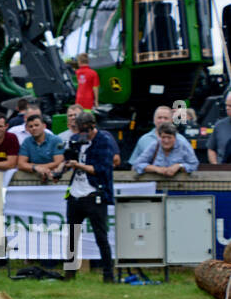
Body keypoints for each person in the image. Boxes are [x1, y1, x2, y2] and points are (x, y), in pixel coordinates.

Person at [61, 110, 118, 283]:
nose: (81, 135)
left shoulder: (104, 141)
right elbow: (68, 160)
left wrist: (79, 165)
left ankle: (108, 274)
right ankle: (70, 273)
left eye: (83, 131)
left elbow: (101, 169)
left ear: (91, 127)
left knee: (101, 236)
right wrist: (61, 169)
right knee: (72, 235)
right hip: (75, 193)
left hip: (94, 192)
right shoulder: (76, 140)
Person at [132, 123, 197, 177]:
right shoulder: (155, 145)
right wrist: (156, 169)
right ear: (159, 137)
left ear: (175, 137)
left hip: (180, 186)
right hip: (157, 184)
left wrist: (179, 166)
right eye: (163, 137)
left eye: (169, 137)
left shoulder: (183, 145)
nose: (166, 141)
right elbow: (137, 164)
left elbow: (194, 164)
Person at [16, 113, 65, 181]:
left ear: (44, 126)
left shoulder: (56, 140)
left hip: (55, 178)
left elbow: (58, 162)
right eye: (31, 126)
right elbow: (21, 164)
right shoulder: (26, 142)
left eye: (36, 125)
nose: (34, 128)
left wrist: (37, 167)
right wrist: (36, 168)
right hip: (33, 178)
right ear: (27, 129)